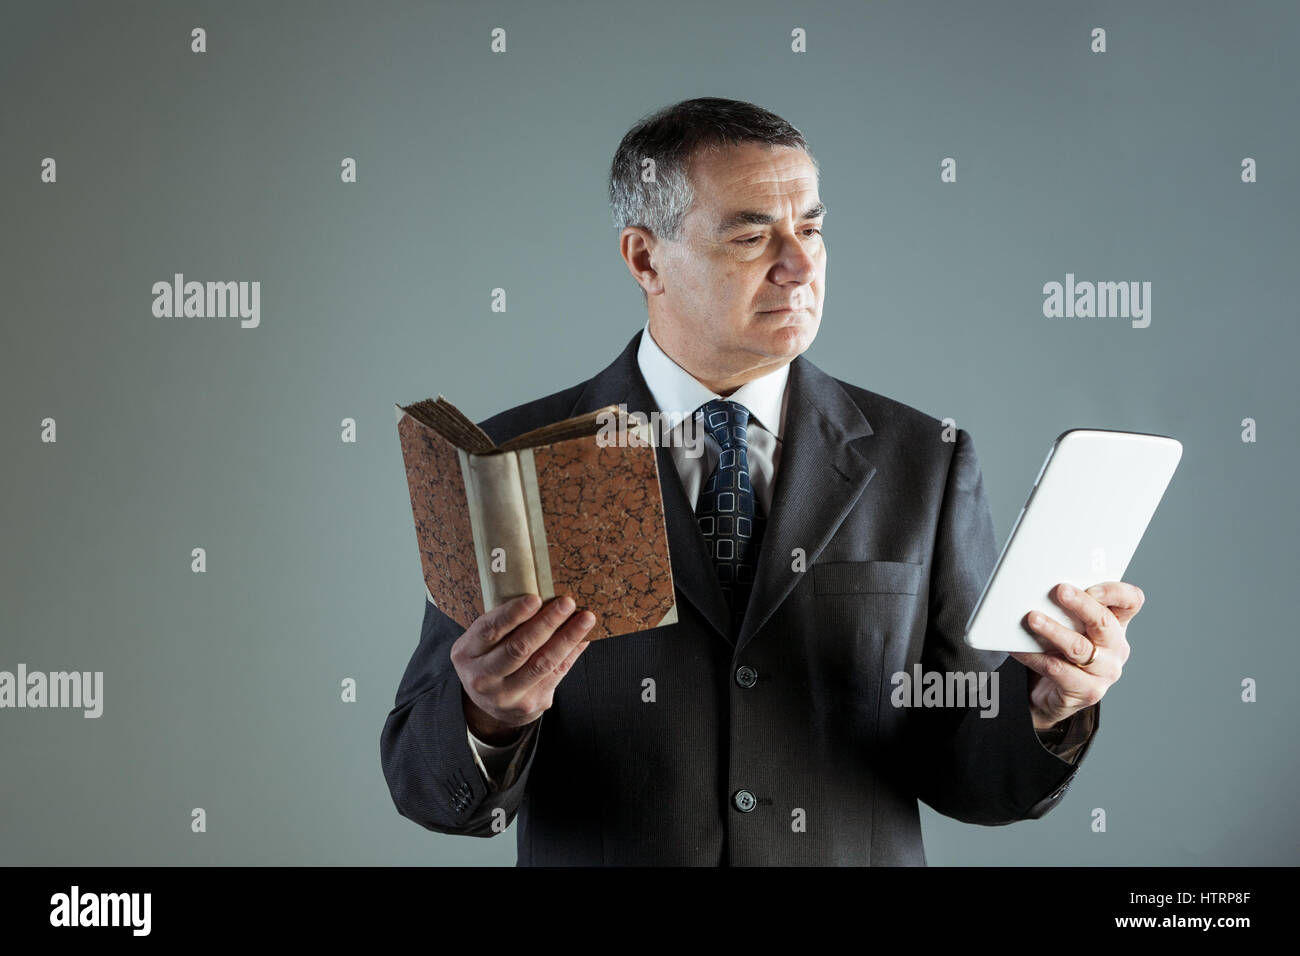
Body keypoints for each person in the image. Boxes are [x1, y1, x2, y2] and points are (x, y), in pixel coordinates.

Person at [380, 97, 1141, 865]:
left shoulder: (924, 459)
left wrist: (1052, 706)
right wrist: (486, 715)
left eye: (810, 228)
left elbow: (970, 774)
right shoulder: (511, 462)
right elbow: (424, 783)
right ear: (645, 260)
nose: (801, 265)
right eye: (752, 235)